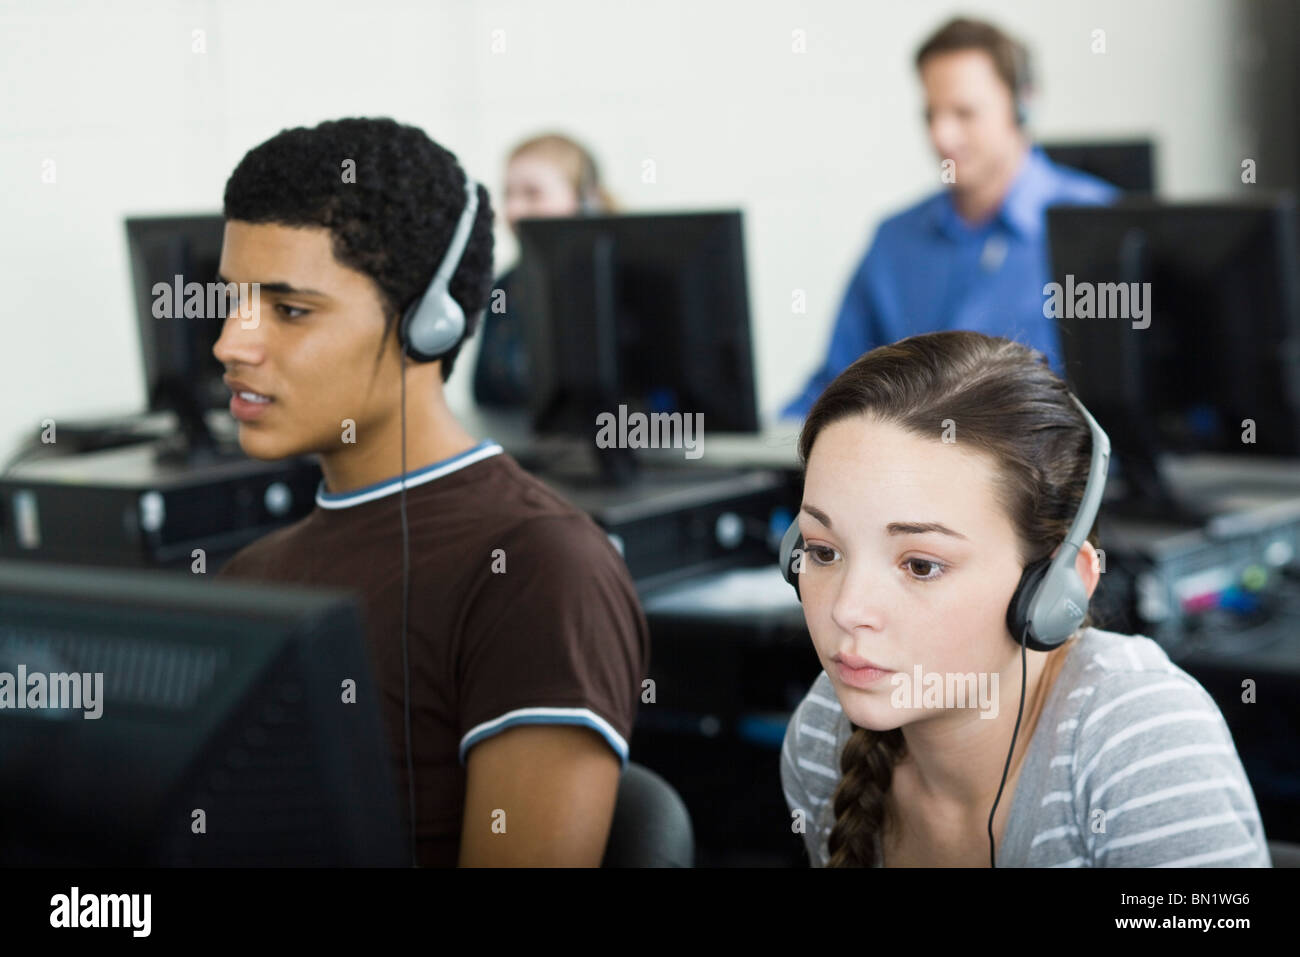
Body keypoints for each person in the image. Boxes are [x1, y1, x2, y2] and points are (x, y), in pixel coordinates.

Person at [211, 117, 649, 867]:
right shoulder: (249, 577)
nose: (230, 342)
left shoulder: (539, 568)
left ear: (429, 324)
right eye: (234, 299)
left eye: (289, 309)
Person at [779, 330, 1271, 867]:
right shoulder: (825, 730)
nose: (847, 610)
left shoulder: (1139, 740)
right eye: (824, 552)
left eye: (920, 565)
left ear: (1055, 588)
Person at [781, 17, 1120, 421]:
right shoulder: (894, 240)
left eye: (964, 113)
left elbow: (1139, 407)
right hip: (906, 478)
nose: (941, 136)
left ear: (1023, 102)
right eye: (931, 115)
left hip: (1049, 477)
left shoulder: (1098, 224)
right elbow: (834, 388)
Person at [473, 132, 616, 408]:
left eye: (532, 194)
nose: (513, 210)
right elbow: (486, 396)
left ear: (585, 201)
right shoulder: (506, 286)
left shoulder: (622, 280)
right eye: (508, 194)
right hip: (524, 446)